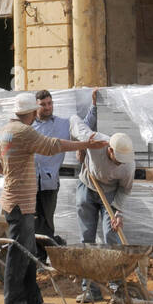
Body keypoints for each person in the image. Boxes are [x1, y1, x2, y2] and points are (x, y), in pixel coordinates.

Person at [0, 94, 107, 304]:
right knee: (19, 253)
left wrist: (8, 173)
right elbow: (53, 146)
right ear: (32, 112)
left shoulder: (5, 131)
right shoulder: (25, 131)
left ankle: (33, 300)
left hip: (17, 201)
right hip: (20, 203)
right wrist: (86, 144)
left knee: (28, 251)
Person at [69, 94, 135, 303]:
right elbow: (74, 121)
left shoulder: (128, 165)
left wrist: (118, 213)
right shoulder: (96, 141)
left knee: (111, 236)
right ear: (109, 150)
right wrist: (79, 146)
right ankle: (90, 289)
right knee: (87, 238)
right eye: (117, 159)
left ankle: (116, 286)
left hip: (110, 194)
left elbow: (125, 190)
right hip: (88, 185)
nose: (119, 164)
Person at [32, 88, 96, 254]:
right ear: (35, 106)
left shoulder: (61, 124)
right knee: (30, 222)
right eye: (43, 104)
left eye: (49, 103)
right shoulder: (28, 126)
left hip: (49, 182)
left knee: (46, 222)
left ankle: (43, 257)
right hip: (28, 183)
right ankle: (35, 255)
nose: (47, 107)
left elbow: (84, 128)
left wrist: (94, 106)